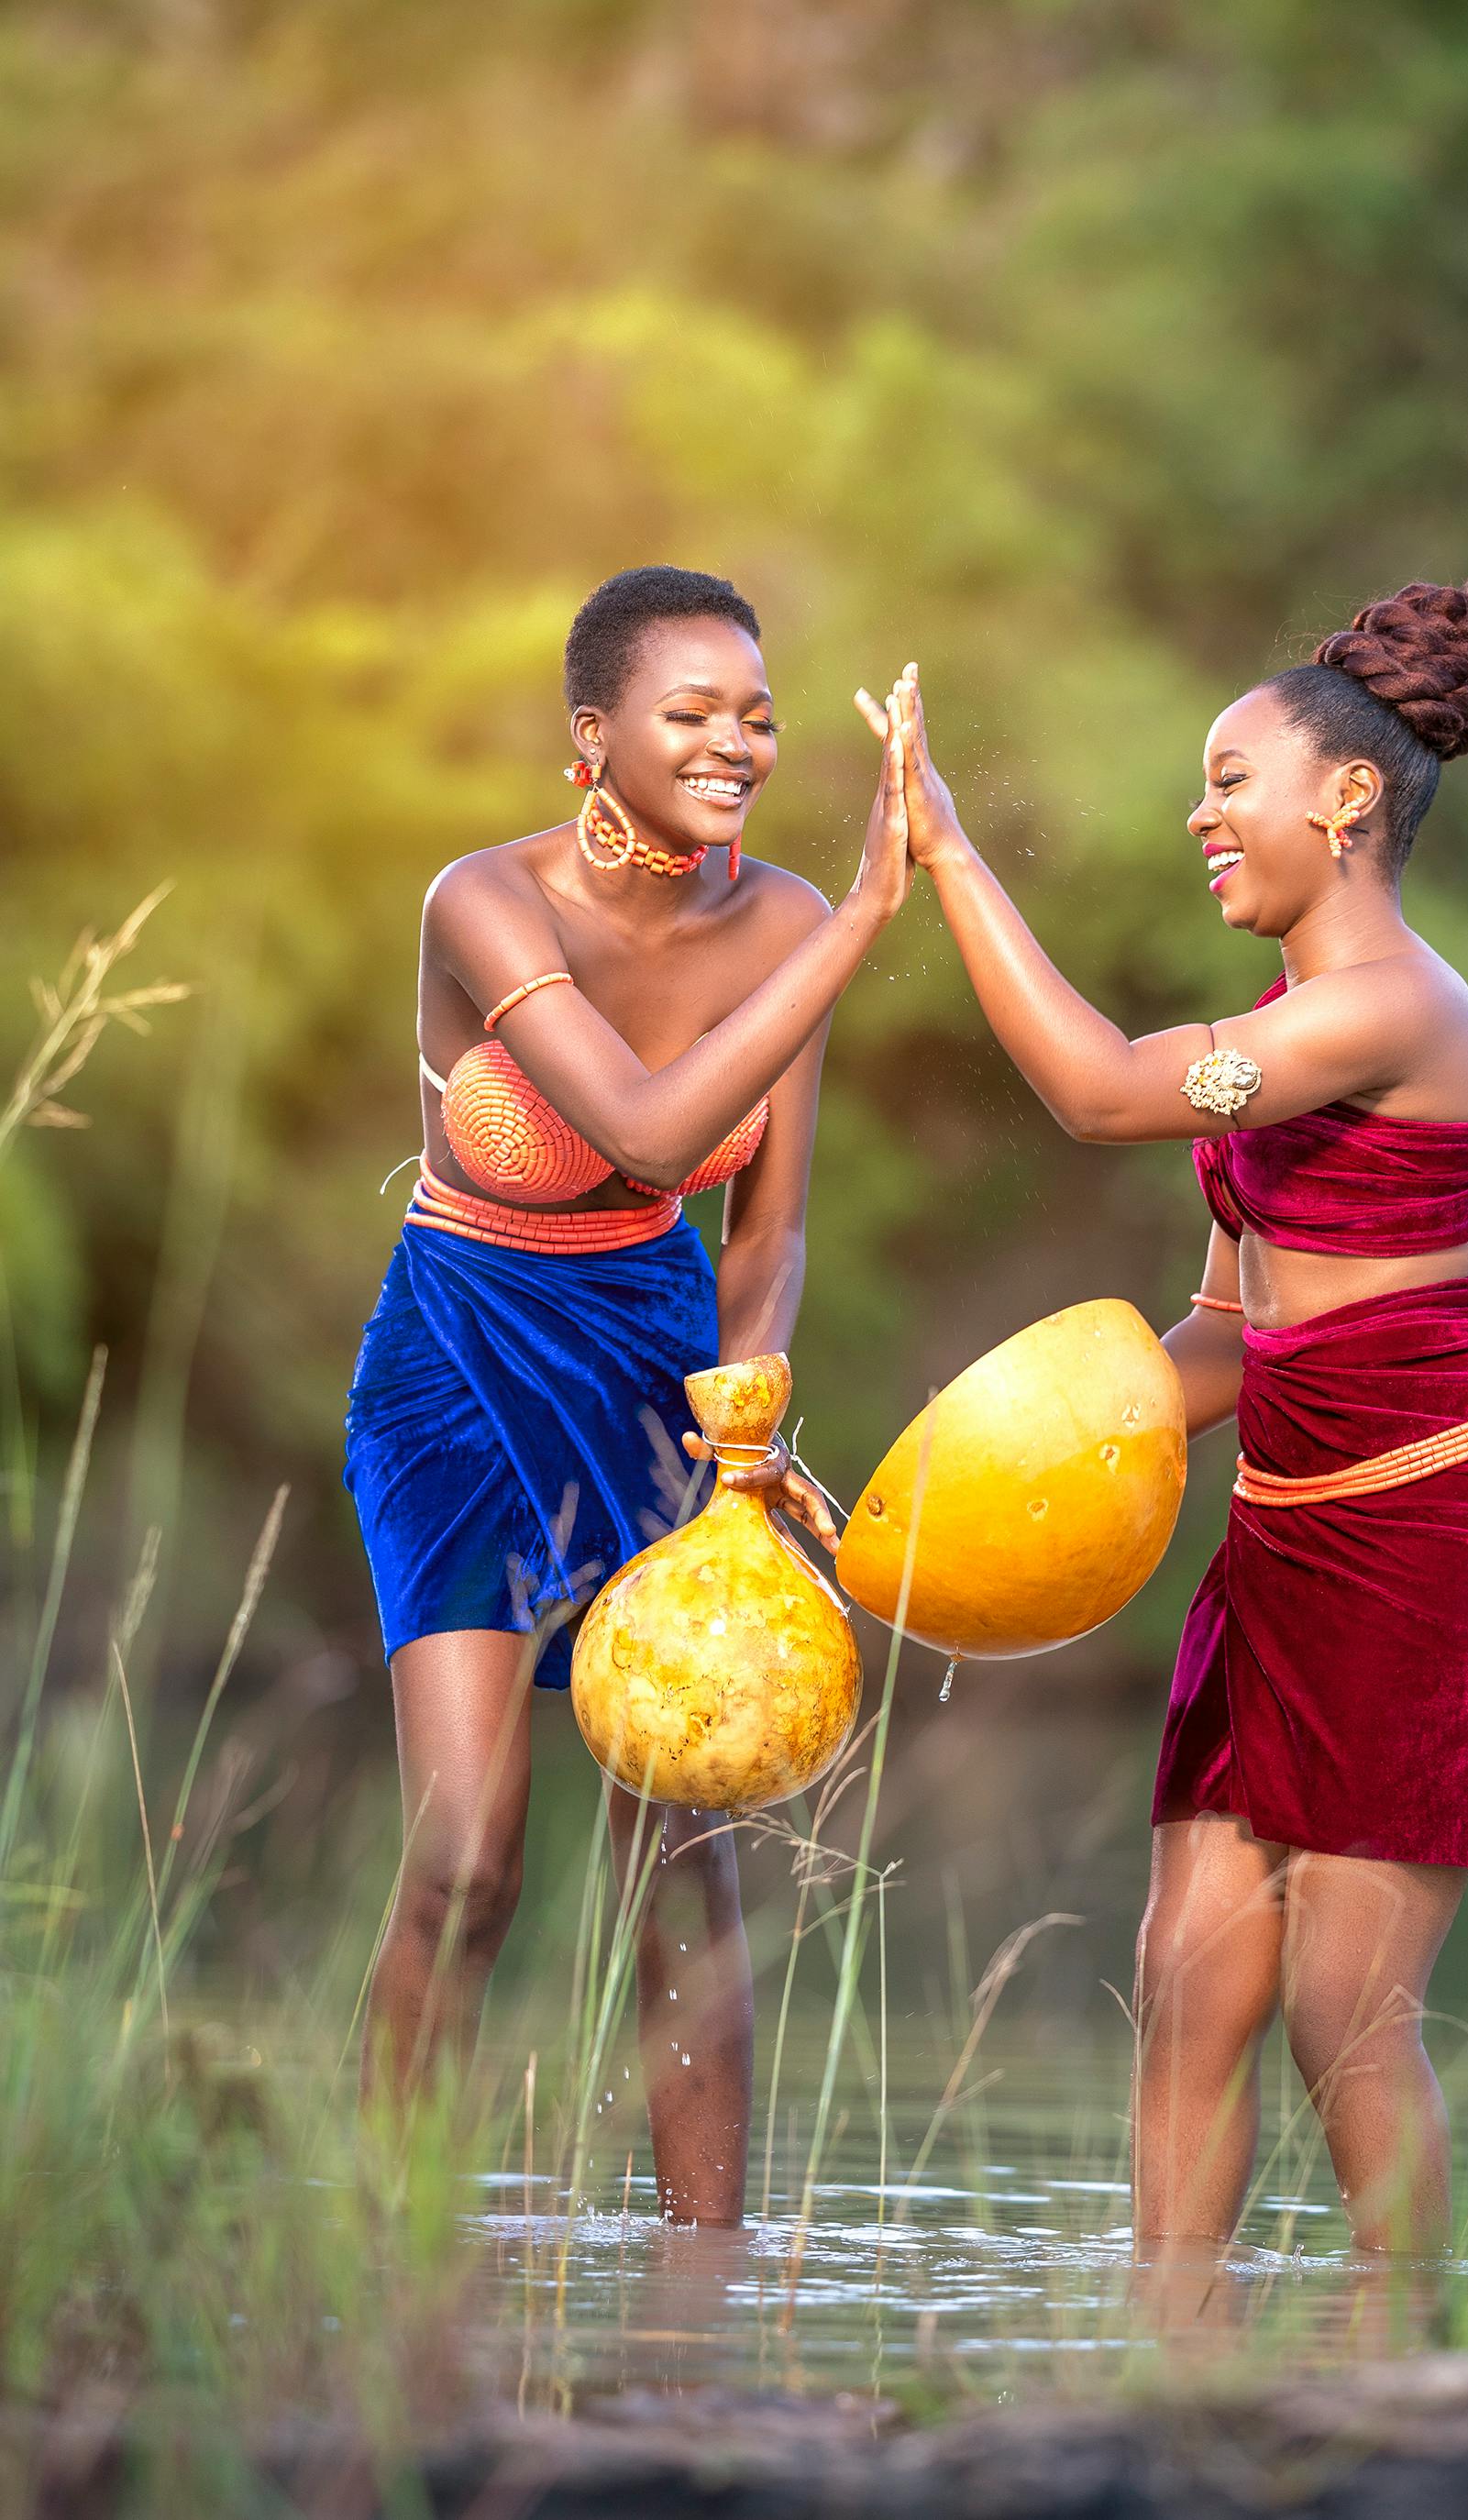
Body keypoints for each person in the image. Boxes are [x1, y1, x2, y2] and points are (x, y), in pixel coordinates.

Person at [861, 584, 1468, 2255]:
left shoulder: (1396, 1008)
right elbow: (1223, 1327)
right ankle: (1175, 2381)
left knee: (1345, 2010)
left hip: (1441, 1526)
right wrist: (970, 1462)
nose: (1201, 811)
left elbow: (1104, 1088)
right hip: (1287, 1523)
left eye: (1230, 774)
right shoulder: (1279, 1043)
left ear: (1345, 798)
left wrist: (954, 861)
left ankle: (1405, 2390)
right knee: (1188, 1986)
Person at [346, 565, 911, 2220]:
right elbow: (647, 1136)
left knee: (681, 1854)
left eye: (758, 714)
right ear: (594, 735)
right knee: (467, 1861)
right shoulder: (481, 900)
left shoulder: (787, 922)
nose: (738, 740)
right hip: (457, 1354)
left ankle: (702, 2298)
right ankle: (394, 2267)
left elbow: (772, 1220)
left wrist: (739, 1442)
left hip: (662, 1368)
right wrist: (875, 915)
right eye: (694, 711)